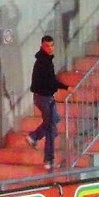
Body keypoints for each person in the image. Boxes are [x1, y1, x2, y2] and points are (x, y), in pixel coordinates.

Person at [26, 35, 69, 170]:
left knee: (53, 121)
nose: (50, 48)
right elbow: (51, 82)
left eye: (51, 45)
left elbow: (50, 81)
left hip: (42, 97)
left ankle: (34, 137)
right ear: (42, 46)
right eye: (47, 46)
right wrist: (65, 87)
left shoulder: (44, 60)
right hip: (44, 98)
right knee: (51, 127)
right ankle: (48, 160)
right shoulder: (44, 62)